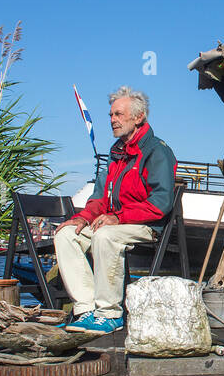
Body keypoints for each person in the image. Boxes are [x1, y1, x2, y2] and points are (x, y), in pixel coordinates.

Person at [53, 86, 176, 334]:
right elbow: (100, 196)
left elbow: (161, 202)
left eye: (118, 114)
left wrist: (117, 217)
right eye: (111, 115)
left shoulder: (157, 151)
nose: (112, 120)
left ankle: (110, 314)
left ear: (138, 117)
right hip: (116, 222)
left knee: (105, 235)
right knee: (65, 235)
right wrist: (82, 218)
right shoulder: (116, 152)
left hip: (146, 226)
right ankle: (87, 310)